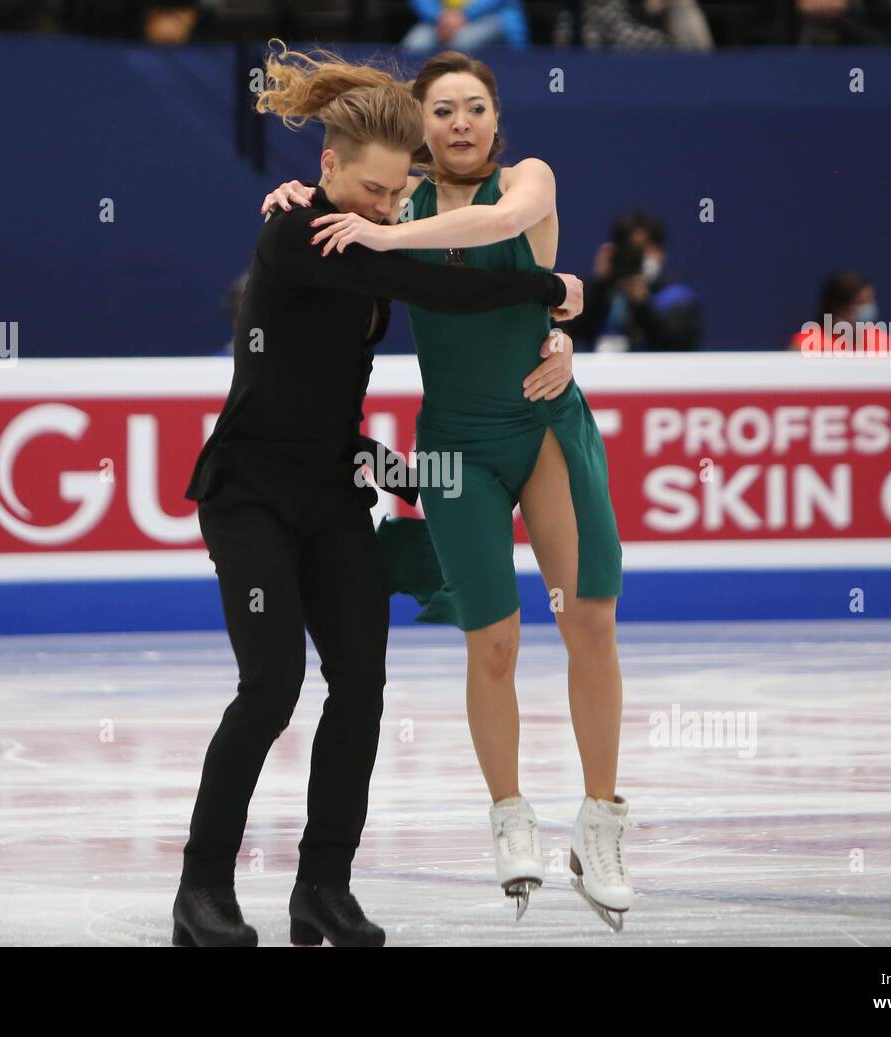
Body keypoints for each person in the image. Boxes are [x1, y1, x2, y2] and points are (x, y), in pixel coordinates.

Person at [175, 42, 583, 948]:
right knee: (272, 684)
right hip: (248, 494)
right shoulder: (296, 232)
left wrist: (402, 474)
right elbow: (417, 275)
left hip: (330, 491)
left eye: (400, 195)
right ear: (326, 169)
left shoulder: (363, 231)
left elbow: (391, 303)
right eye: (370, 192)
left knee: (360, 682)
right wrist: (549, 287)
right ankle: (202, 889)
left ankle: (323, 887)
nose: (386, 209)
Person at [260, 50, 633, 929]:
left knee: (587, 617)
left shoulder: (525, 182)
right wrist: (290, 197)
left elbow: (506, 221)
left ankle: (602, 818)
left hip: (544, 425)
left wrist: (387, 239)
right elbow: (331, 210)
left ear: (497, 121)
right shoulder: (400, 199)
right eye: (443, 110)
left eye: (475, 107)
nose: (460, 121)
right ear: (421, 127)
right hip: (458, 445)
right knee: (493, 640)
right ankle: (510, 814)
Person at [563, 210, 701, 352]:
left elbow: (679, 347)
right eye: (628, 249)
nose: (635, 257)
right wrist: (598, 285)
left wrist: (641, 304)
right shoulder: (601, 292)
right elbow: (568, 333)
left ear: (660, 252)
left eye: (643, 249)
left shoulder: (677, 297)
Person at [788, 271, 890, 355]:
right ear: (839, 306)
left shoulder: (880, 340)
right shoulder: (807, 342)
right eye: (861, 302)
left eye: (870, 300)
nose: (868, 307)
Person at [401, 0, 530, 53]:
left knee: (461, 42)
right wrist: (440, 17)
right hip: (440, 20)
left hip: (490, 18)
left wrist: (464, 15)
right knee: (415, 43)